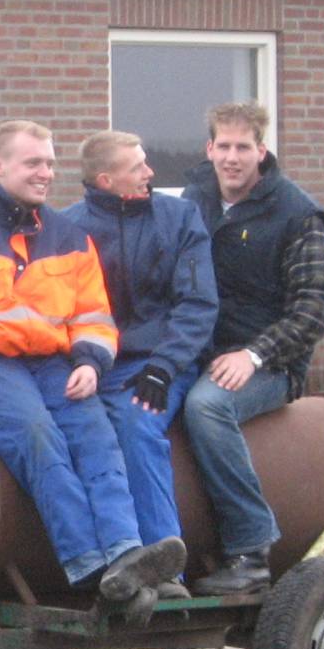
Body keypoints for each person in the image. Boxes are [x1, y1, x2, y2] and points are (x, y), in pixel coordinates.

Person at [0, 120, 185, 605]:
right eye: (33, 163)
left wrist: (90, 362)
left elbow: (94, 316)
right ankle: (89, 564)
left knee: (97, 437)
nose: (45, 173)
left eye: (50, 163)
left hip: (55, 365)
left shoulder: (69, 237)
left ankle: (126, 553)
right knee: (38, 437)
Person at [180, 102, 324, 595]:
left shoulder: (299, 215)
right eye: (223, 146)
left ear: (262, 151)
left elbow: (312, 312)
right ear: (209, 149)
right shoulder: (194, 199)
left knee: (206, 406)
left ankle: (251, 549)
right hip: (197, 349)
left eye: (243, 147)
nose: (232, 158)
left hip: (270, 363)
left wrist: (253, 356)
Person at [60, 131, 218, 598]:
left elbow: (198, 304)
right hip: (96, 365)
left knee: (136, 425)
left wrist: (163, 367)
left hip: (162, 363)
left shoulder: (180, 218)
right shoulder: (67, 230)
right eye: (137, 167)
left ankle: (164, 570)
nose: (150, 173)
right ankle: (95, 564)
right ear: (106, 180)